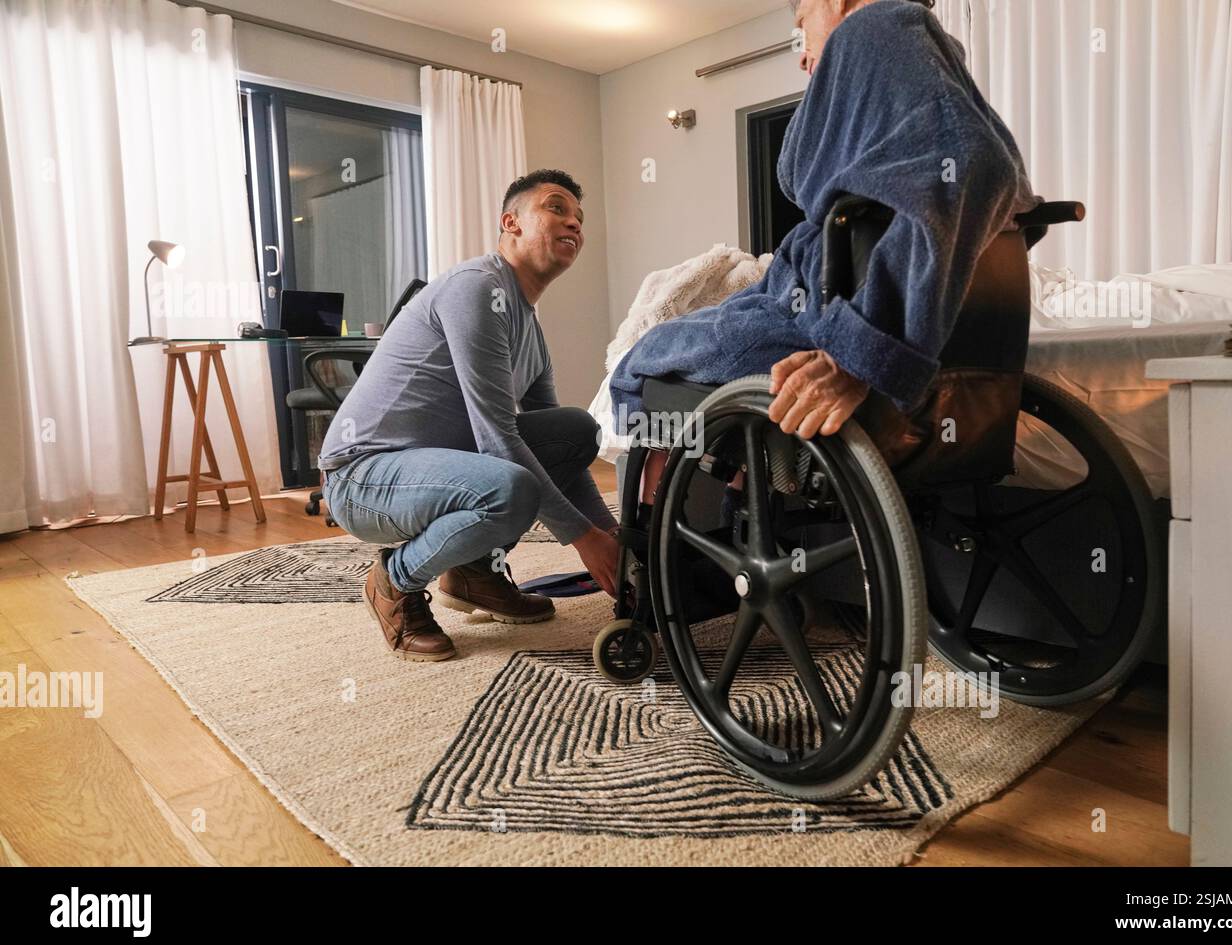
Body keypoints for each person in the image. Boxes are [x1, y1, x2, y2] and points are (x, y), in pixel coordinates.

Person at [611, 0, 1038, 501]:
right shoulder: (924, 54)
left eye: (801, 22)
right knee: (677, 342)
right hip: (842, 301)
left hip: (819, 316)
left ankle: (655, 550)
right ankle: (747, 487)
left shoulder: (874, 28)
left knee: (638, 362)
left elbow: (969, 162)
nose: (800, 52)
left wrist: (857, 357)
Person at [318, 170, 619, 663]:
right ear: (511, 223)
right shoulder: (477, 287)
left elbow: (566, 455)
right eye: (556, 208)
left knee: (576, 429)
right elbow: (499, 439)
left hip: (433, 470)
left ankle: (475, 573)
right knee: (510, 487)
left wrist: (610, 536)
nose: (573, 224)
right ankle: (393, 581)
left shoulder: (530, 328)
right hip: (362, 476)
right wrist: (585, 541)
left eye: (580, 219)